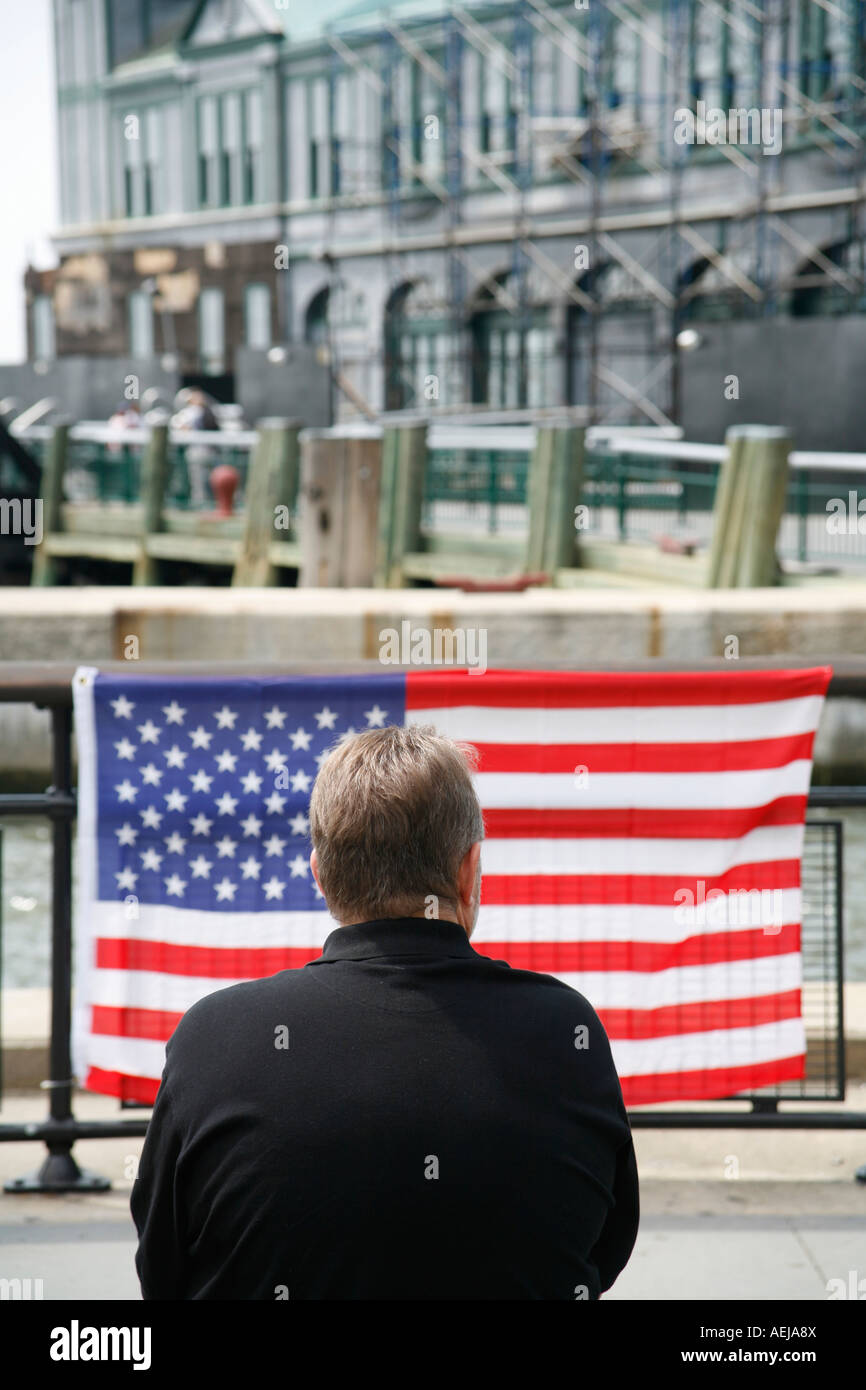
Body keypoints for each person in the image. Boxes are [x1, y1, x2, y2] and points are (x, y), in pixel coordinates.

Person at [131, 725, 639, 1300]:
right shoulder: (566, 1031)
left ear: (321, 874)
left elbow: (162, 1267)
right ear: (469, 870)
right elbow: (603, 1248)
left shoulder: (213, 1035)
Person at [173, 388, 219, 507]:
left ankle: (207, 503)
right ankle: (201, 503)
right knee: (199, 480)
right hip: (198, 450)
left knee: (208, 478)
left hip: (205, 450)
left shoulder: (203, 412)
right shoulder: (192, 412)